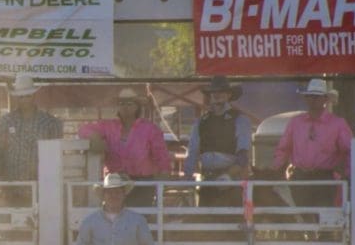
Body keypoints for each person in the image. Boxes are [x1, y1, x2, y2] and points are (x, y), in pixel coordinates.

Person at [77, 88, 172, 208]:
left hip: (142, 183)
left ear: (137, 107)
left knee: (140, 215)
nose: (125, 107)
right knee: (115, 214)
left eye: (129, 103)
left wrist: (163, 175)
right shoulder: (108, 126)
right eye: (121, 103)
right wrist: (94, 136)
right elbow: (83, 129)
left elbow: (161, 155)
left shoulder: (150, 129)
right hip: (115, 182)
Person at [273, 78, 353, 208]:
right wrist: (277, 171)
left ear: (325, 99)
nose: (313, 99)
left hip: (325, 178)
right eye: (310, 96)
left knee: (324, 215)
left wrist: (349, 175)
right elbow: (283, 149)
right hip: (299, 177)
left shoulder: (337, 124)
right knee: (300, 214)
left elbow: (349, 151)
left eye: (316, 96)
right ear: (306, 99)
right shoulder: (295, 122)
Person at [184, 76, 252, 208]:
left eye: (221, 91)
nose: (217, 95)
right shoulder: (201, 121)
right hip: (207, 179)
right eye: (214, 92)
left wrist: (228, 174)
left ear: (229, 95)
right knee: (206, 217)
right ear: (210, 95)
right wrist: (187, 176)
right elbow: (192, 151)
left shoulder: (240, 119)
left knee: (231, 217)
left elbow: (243, 154)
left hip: (231, 180)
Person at [0, 74, 63, 183]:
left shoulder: (50, 123)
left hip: (41, 183)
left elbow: (55, 156)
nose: (24, 100)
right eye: (21, 96)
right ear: (16, 98)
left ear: (34, 96)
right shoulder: (6, 121)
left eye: (27, 96)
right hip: (11, 183)